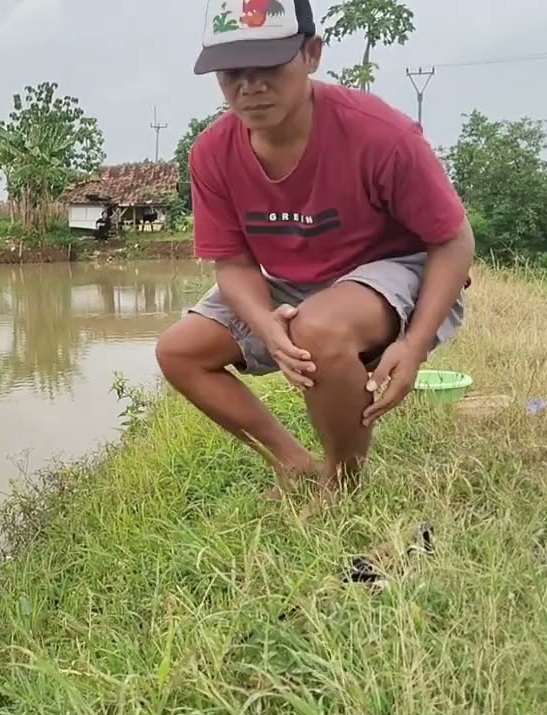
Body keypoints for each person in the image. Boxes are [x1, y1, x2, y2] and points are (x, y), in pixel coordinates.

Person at [155, 0, 475, 516]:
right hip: (292, 282)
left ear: (311, 54)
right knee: (180, 352)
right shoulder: (211, 153)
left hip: (396, 273)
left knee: (318, 328)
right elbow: (233, 262)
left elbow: (455, 241)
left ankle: (343, 482)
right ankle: (291, 462)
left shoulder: (379, 134)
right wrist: (266, 326)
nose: (250, 85)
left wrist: (413, 347)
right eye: (233, 71)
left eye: (269, 66)